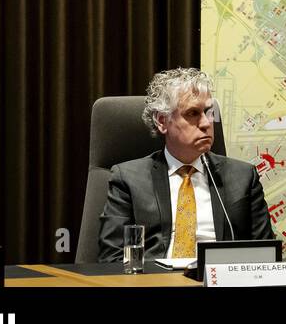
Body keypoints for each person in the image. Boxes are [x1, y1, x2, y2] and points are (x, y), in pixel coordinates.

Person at [96, 68, 274, 262]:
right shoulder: (128, 178)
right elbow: (111, 258)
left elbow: (266, 254)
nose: (206, 123)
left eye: (209, 112)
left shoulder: (243, 176)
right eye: (192, 113)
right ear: (162, 121)